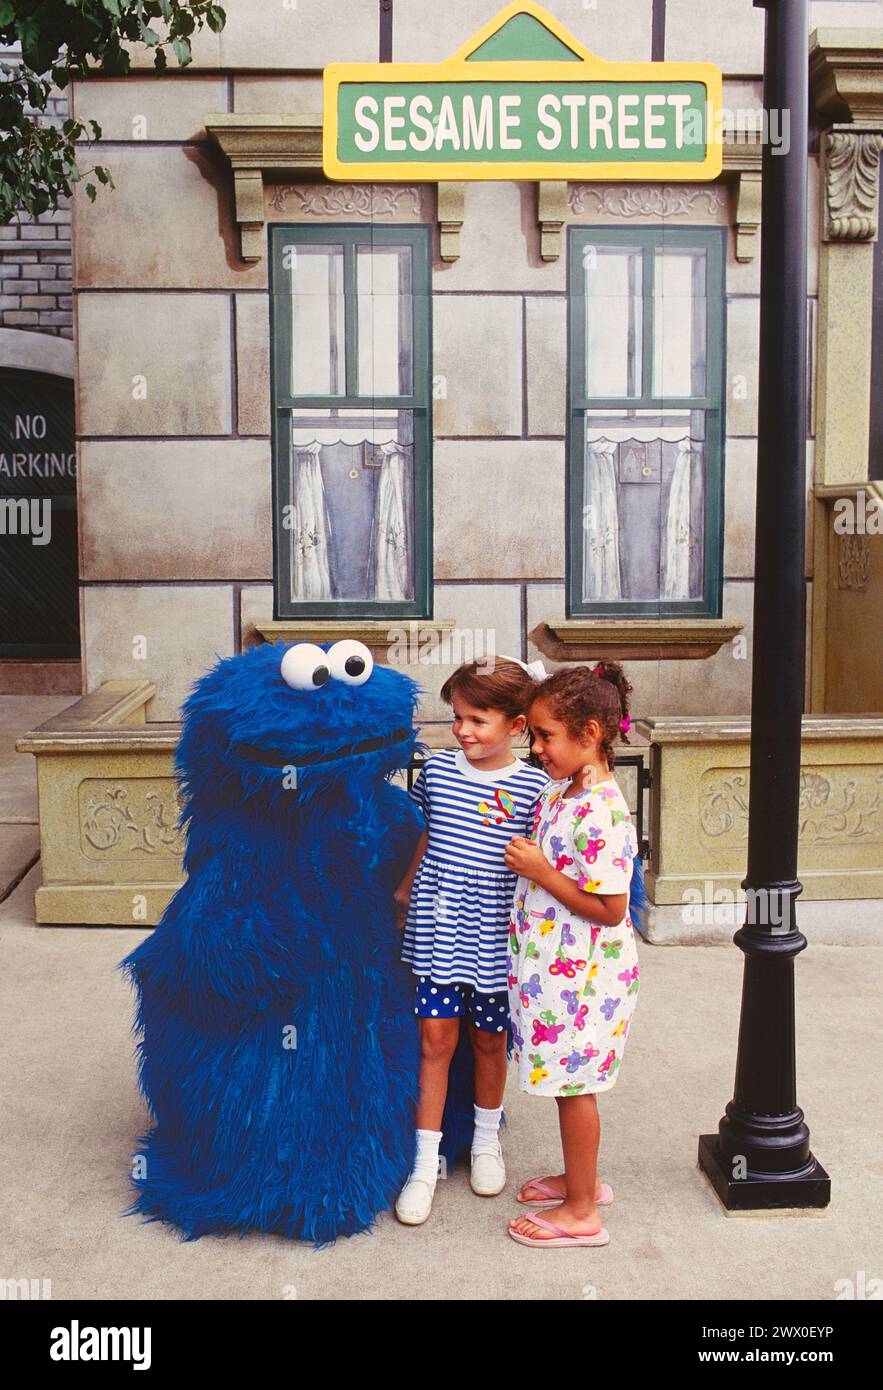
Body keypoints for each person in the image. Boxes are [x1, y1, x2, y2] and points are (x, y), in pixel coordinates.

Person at [393, 655, 549, 1225]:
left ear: (516, 725)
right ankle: (424, 1161)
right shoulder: (436, 771)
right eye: (458, 717)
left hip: (495, 928)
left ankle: (486, 1141)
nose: (463, 730)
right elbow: (428, 832)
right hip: (440, 922)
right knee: (435, 1039)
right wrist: (406, 890)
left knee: (488, 1040)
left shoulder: (535, 787)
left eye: (478, 720)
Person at [504, 660, 640, 1249]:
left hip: (584, 982)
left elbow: (610, 908)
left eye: (546, 736)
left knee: (575, 1086)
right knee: (565, 1083)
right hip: (559, 976)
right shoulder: (568, 789)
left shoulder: (603, 811)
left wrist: (540, 868)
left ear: (589, 734)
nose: (536, 748)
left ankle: (582, 1210)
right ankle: (578, 1179)